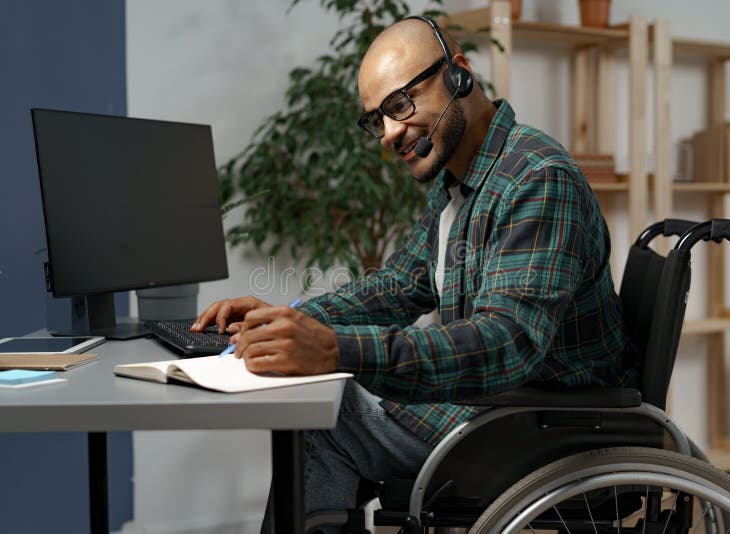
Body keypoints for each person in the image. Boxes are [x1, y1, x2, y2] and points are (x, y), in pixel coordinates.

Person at [192, 15, 636, 533]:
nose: (389, 134)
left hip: (542, 427)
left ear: (460, 74)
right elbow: (402, 285)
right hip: (502, 411)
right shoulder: (460, 181)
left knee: (321, 417)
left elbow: (507, 342)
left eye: (400, 105)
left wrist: (334, 349)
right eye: (377, 119)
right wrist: (289, 318)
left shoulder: (537, 179)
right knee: (326, 399)